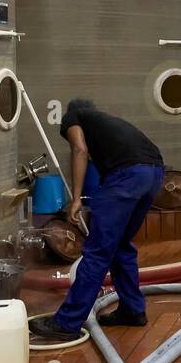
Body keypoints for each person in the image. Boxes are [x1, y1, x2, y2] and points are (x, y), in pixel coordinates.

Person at [28, 100, 165, 345]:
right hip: (154, 173)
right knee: (120, 246)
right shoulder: (108, 124)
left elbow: (79, 150)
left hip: (127, 176)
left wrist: (76, 198)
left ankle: (67, 323)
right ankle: (132, 310)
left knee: (97, 250)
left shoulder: (75, 118)